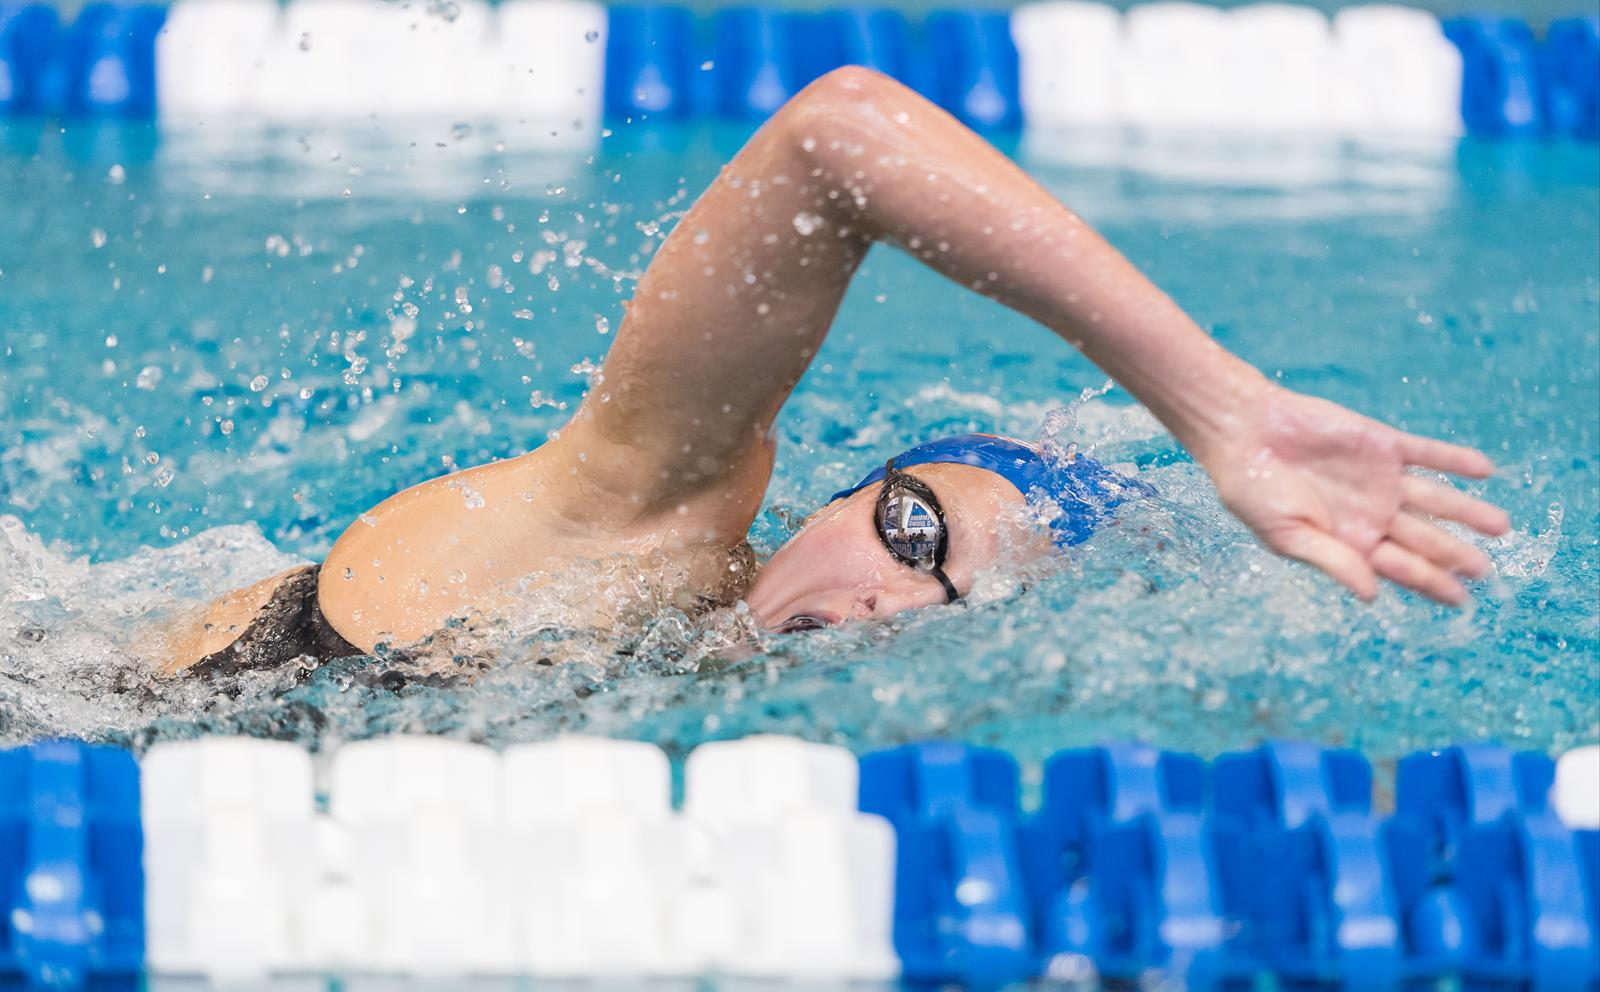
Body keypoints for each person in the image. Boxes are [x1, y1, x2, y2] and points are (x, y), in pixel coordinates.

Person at [161, 67, 1510, 676]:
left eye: (956, 608)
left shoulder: (712, 713)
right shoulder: (647, 520)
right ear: (827, 495)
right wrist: (1225, 411)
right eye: (916, 530)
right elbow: (837, 141)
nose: (888, 603)